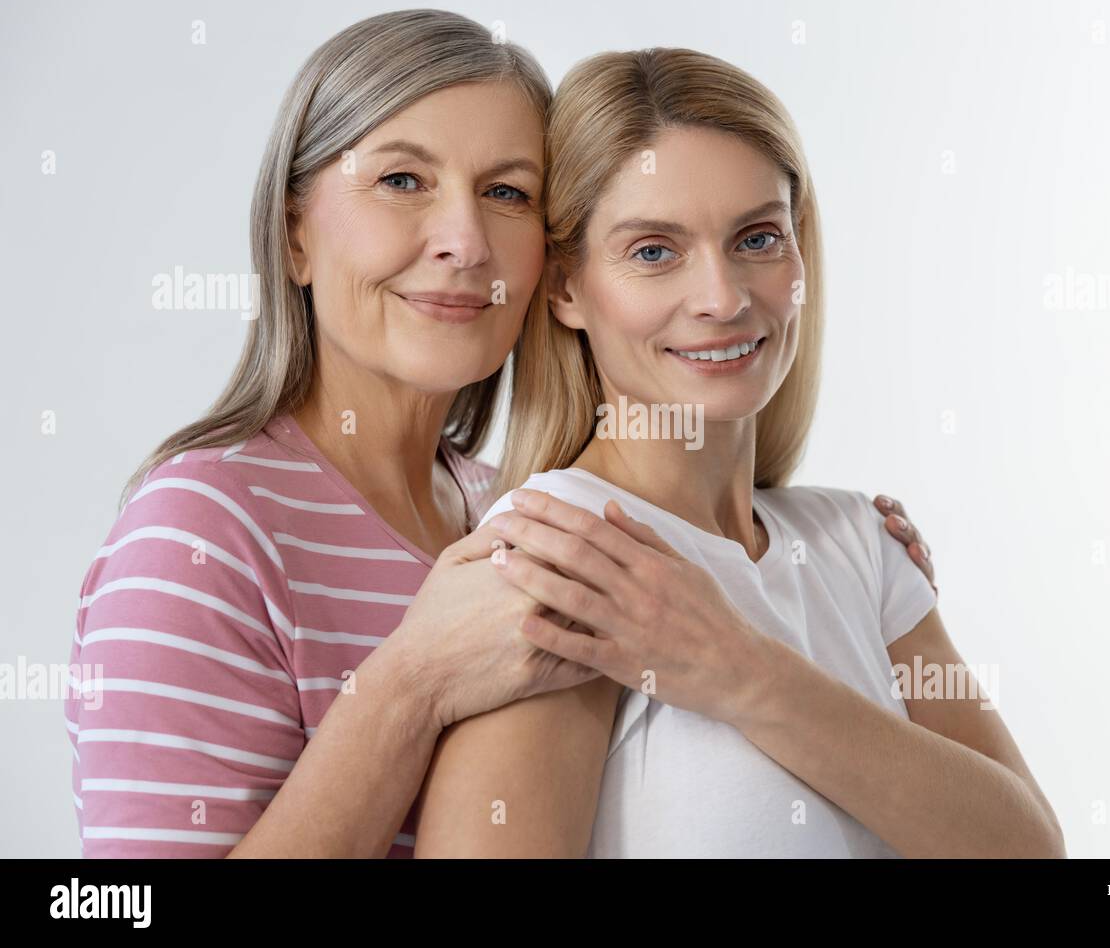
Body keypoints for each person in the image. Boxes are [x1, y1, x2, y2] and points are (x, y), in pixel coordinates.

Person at [412, 47, 1062, 858]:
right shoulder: (563, 555)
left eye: (758, 238)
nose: (723, 298)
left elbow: (1028, 847)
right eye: (654, 250)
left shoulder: (856, 541)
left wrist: (746, 674)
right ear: (566, 288)